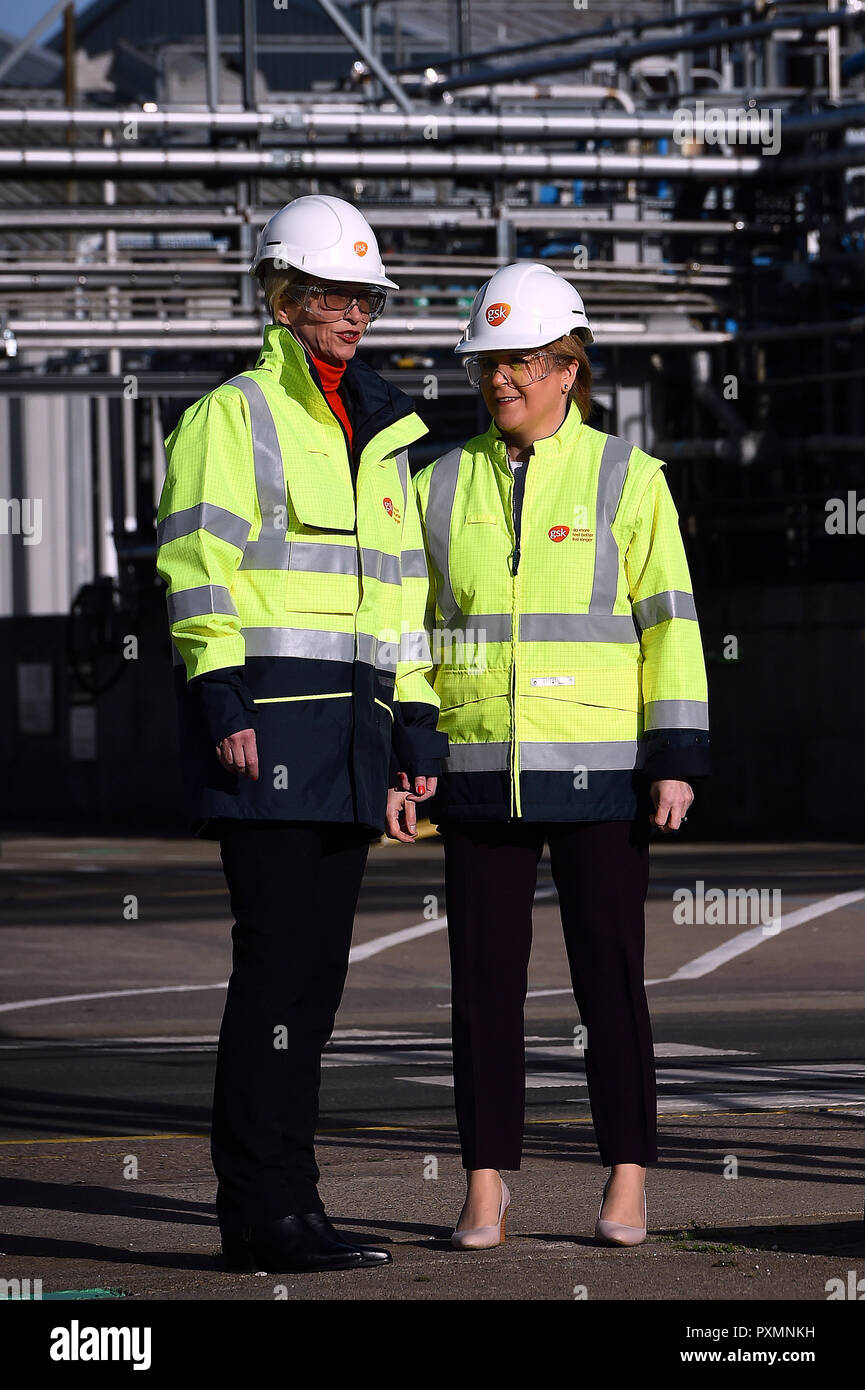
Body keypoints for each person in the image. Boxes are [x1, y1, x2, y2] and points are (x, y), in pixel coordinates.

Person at [156, 195, 446, 1273]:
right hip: (268, 731)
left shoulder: (381, 430)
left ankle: (295, 1201)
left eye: (362, 296)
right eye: (331, 294)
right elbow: (196, 563)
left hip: (356, 742)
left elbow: (401, 596)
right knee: (276, 976)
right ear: (282, 298)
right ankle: (259, 1210)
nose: (352, 313)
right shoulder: (235, 415)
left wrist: (417, 727)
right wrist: (219, 693)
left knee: (316, 984)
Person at [407, 261, 711, 1250]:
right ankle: (486, 1183)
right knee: (483, 984)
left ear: (568, 367)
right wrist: (408, 754)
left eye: (521, 363)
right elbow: (407, 633)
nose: (500, 381)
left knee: (609, 977)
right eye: (489, 364)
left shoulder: (628, 476)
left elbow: (670, 622)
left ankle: (626, 1177)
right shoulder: (437, 485)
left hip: (604, 774)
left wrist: (675, 755)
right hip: (477, 771)